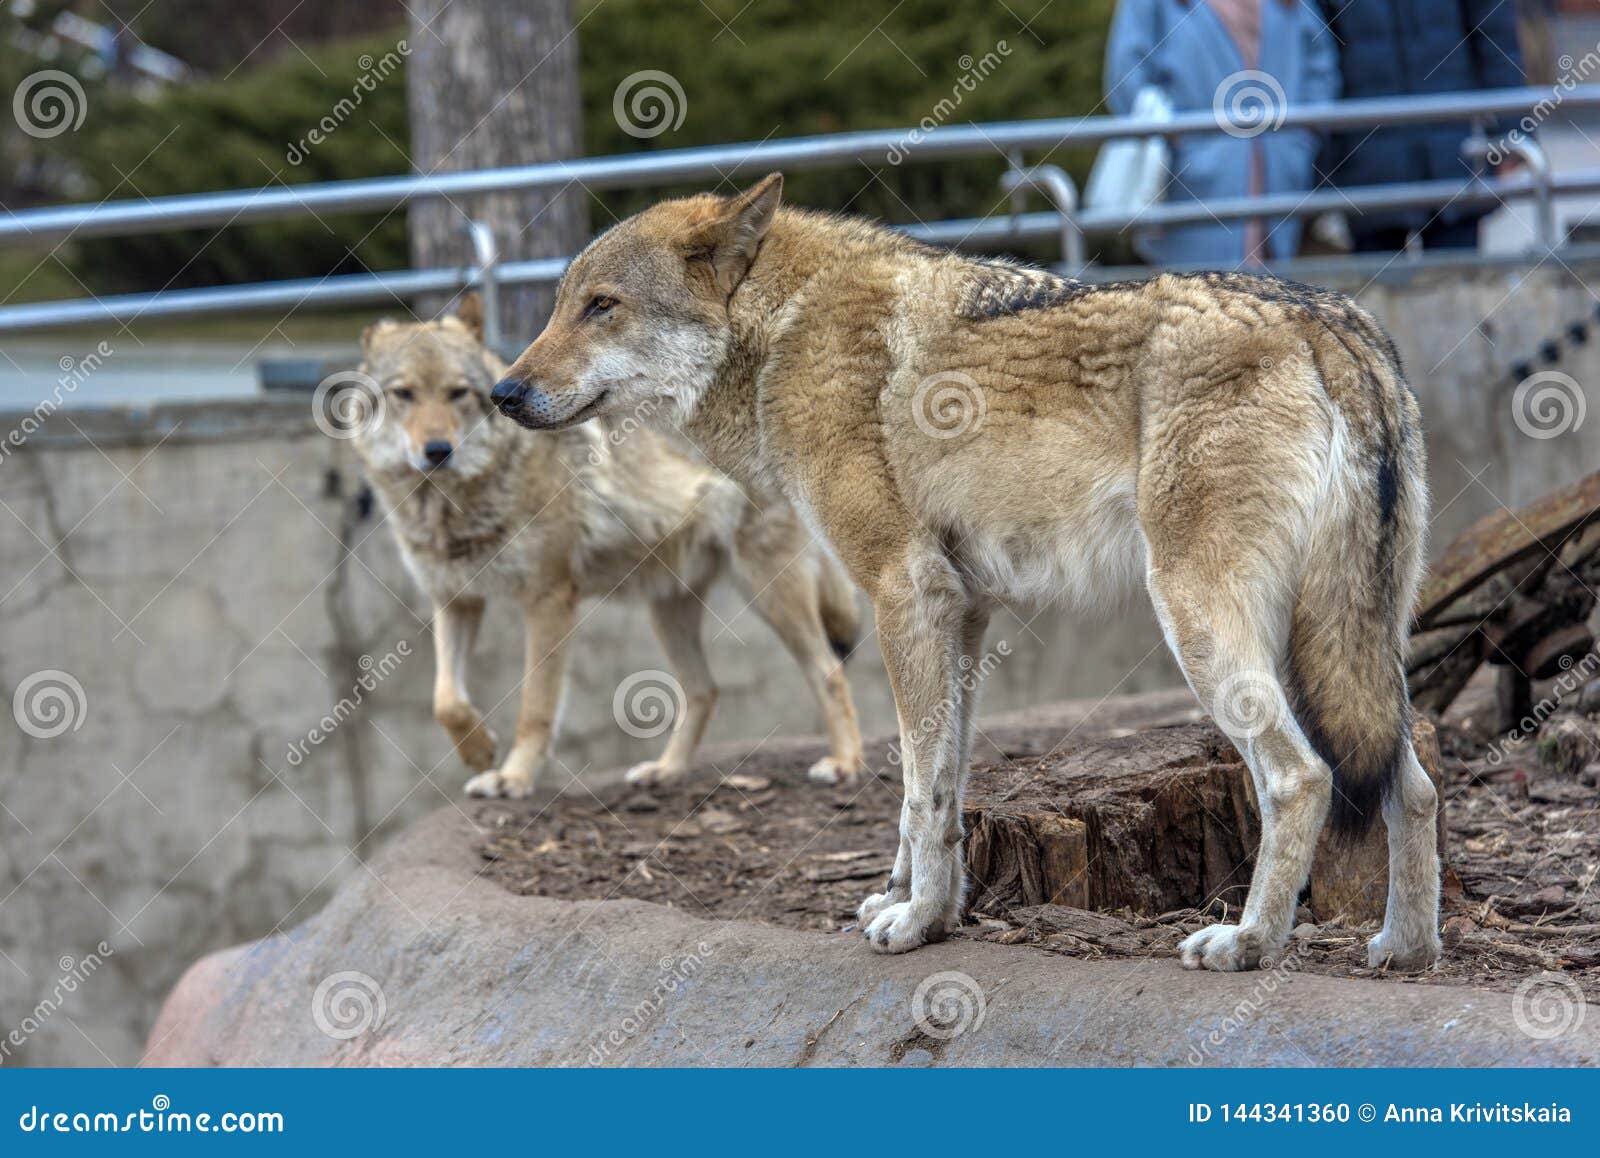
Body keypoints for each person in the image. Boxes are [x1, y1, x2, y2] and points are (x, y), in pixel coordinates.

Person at [1104, 0, 1339, 267]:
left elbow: (1320, 66)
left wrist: (1301, 137)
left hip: (1275, 175)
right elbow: (1127, 78)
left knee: (1266, 294)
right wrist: (1175, 138)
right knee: (1193, 296)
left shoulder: (1295, 7)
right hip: (1191, 179)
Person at [1318, 0, 1527, 251]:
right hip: (1369, 160)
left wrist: (1511, 135)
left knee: (1453, 277)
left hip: (1452, 156)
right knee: (1378, 283)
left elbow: (1496, 41)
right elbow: (1317, 59)